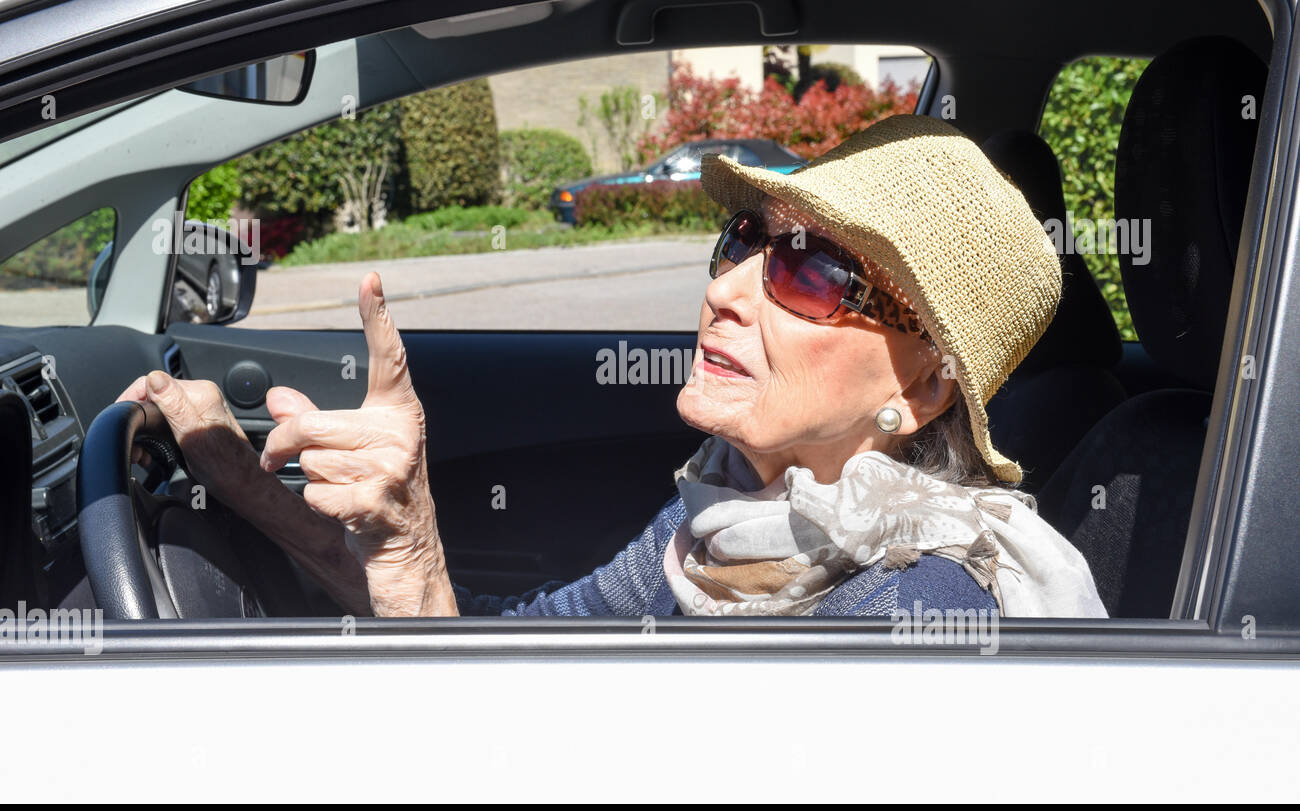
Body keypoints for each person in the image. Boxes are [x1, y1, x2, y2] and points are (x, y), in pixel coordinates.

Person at [119, 114, 1107, 618]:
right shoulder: (725, 518)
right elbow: (508, 670)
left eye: (811, 271)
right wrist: (289, 504)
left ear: (923, 387)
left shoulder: (912, 610)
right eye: (743, 238)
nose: (727, 288)